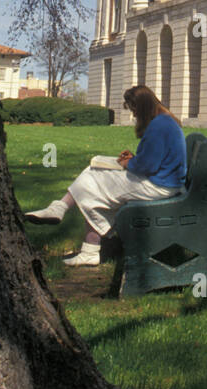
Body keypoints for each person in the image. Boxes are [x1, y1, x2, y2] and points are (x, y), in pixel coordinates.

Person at [25, 85, 187, 267]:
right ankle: (82, 240)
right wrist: (133, 159)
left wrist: (129, 163)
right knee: (93, 175)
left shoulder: (159, 125)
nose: (133, 114)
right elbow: (154, 159)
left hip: (159, 186)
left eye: (133, 109)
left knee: (92, 181)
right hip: (164, 182)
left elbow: (148, 166)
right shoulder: (163, 121)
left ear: (140, 106)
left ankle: (68, 219)